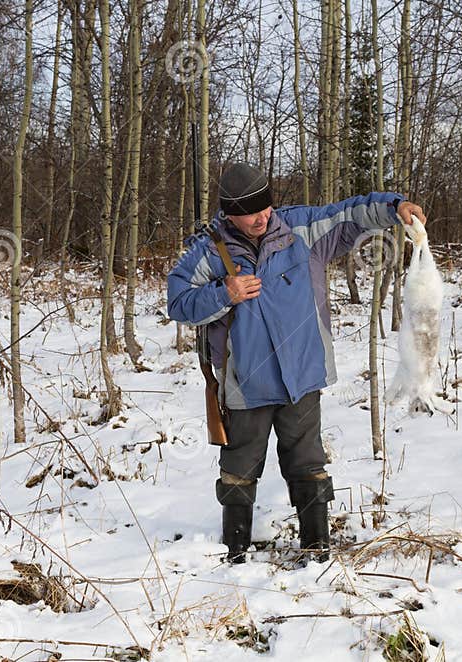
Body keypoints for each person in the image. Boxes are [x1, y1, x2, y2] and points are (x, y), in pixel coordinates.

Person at [167, 163, 426, 564]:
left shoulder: (300, 230)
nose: (263, 217)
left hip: (302, 376)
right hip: (246, 383)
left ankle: (316, 548)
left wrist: (394, 207)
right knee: (239, 466)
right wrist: (224, 293)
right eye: (252, 212)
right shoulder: (208, 251)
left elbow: (349, 213)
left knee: (308, 462)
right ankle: (235, 551)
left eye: (266, 207)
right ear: (230, 213)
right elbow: (178, 302)